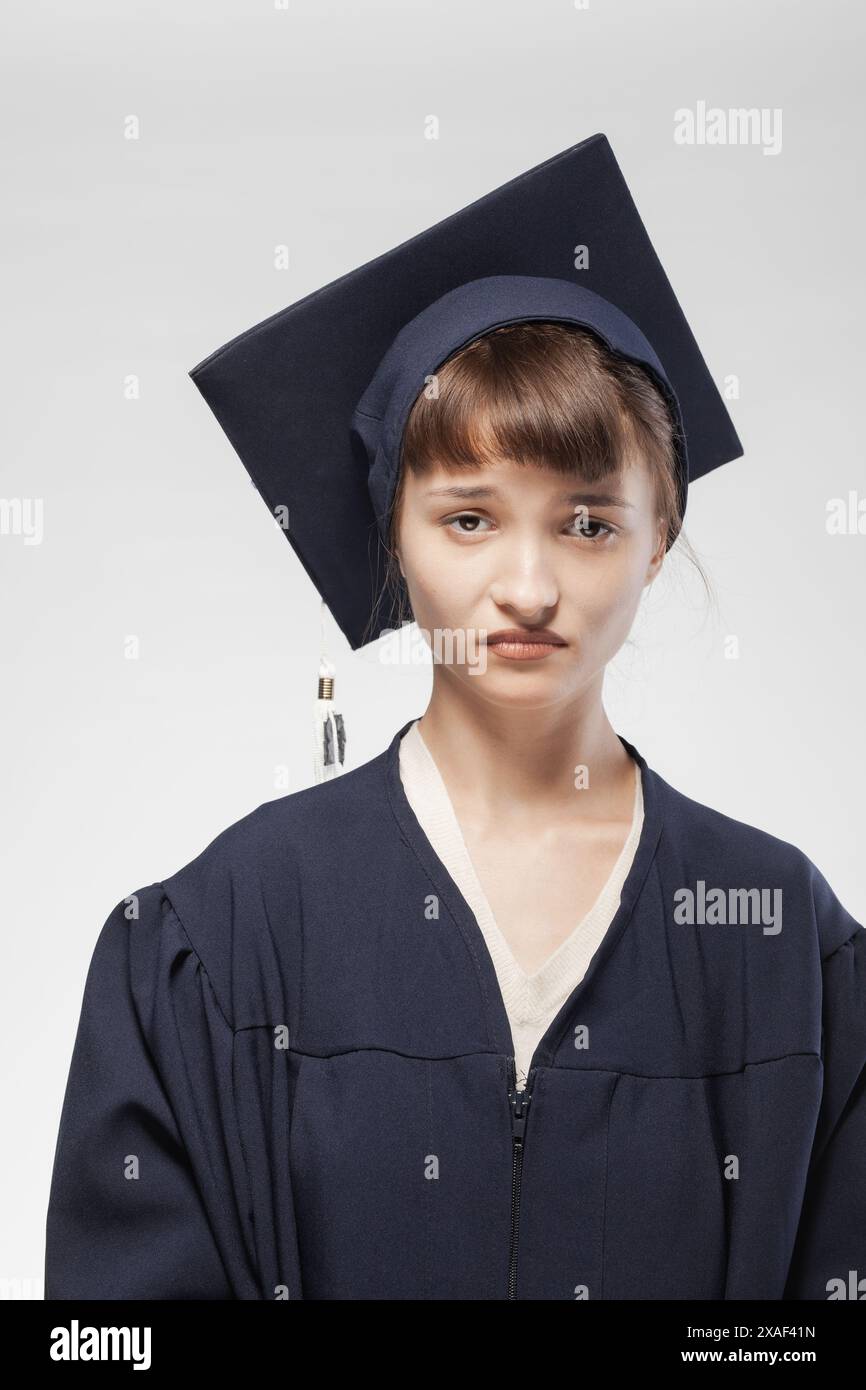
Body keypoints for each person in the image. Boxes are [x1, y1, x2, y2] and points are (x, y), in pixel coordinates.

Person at [44, 135, 865, 1300]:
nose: (527, 586)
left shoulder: (783, 939)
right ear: (395, 536)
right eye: (468, 518)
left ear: (659, 536)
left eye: (586, 521)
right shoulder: (220, 935)